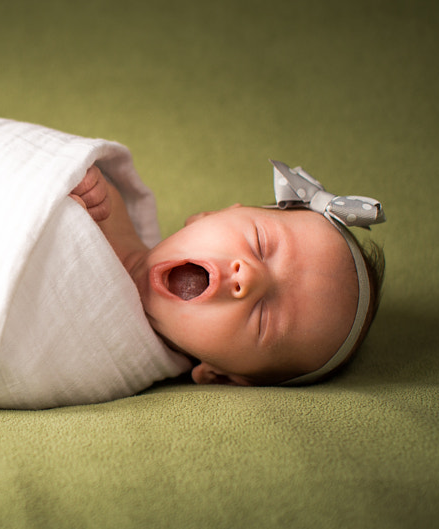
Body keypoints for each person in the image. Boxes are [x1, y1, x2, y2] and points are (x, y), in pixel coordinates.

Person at [69, 159, 385, 387]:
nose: (246, 277)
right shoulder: (107, 205)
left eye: (263, 320)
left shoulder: (114, 371)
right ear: (209, 216)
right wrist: (72, 183)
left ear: (217, 375)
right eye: (261, 244)